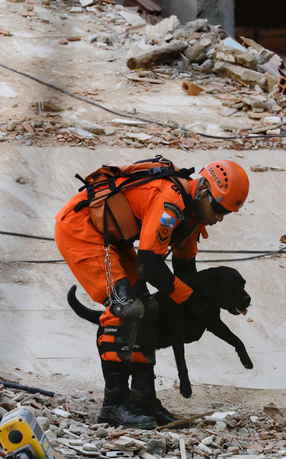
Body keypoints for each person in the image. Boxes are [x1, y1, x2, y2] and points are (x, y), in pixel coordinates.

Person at [54, 158, 249, 429]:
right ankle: (113, 406)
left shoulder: (191, 217)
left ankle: (143, 401)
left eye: (224, 213)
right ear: (203, 189)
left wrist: (200, 308)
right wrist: (191, 300)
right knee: (127, 308)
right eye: (217, 208)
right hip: (82, 231)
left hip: (113, 238)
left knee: (149, 310)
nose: (218, 218)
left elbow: (185, 275)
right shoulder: (171, 201)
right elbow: (150, 266)